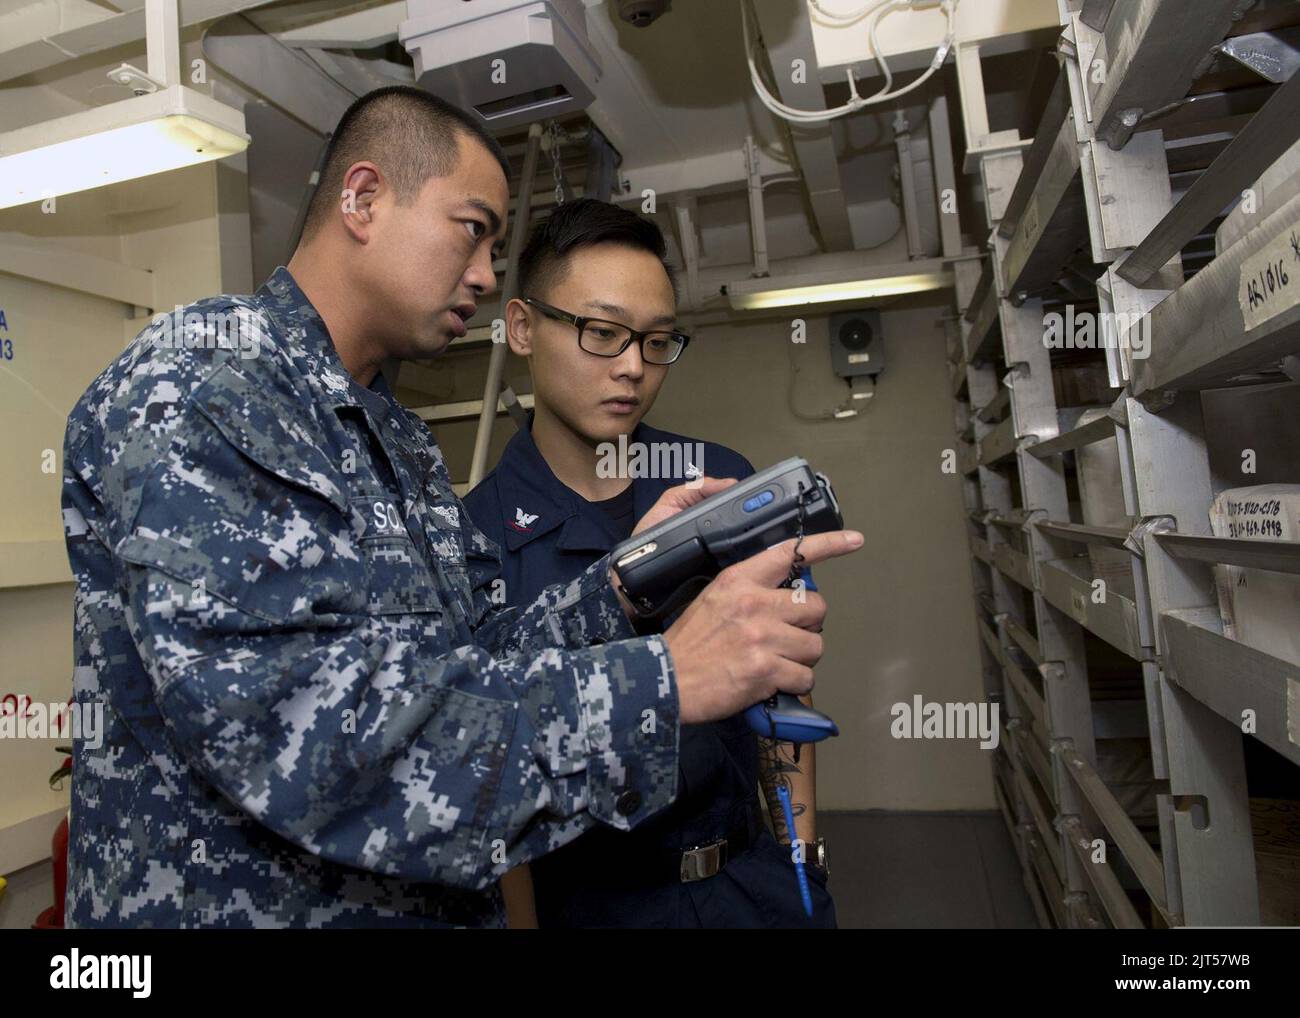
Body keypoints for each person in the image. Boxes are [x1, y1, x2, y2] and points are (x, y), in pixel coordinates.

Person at [59, 85, 861, 928]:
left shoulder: (392, 436)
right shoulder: (207, 388)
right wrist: (666, 679)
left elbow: (468, 666)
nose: (483, 273)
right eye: (472, 230)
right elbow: (311, 745)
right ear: (364, 199)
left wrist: (627, 584)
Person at [464, 198, 836, 928]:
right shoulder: (472, 538)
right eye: (603, 333)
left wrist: (806, 862)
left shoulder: (719, 483)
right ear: (521, 327)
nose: (634, 367)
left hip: (748, 886)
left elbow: (783, 691)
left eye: (658, 341)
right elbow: (488, 782)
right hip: (596, 905)